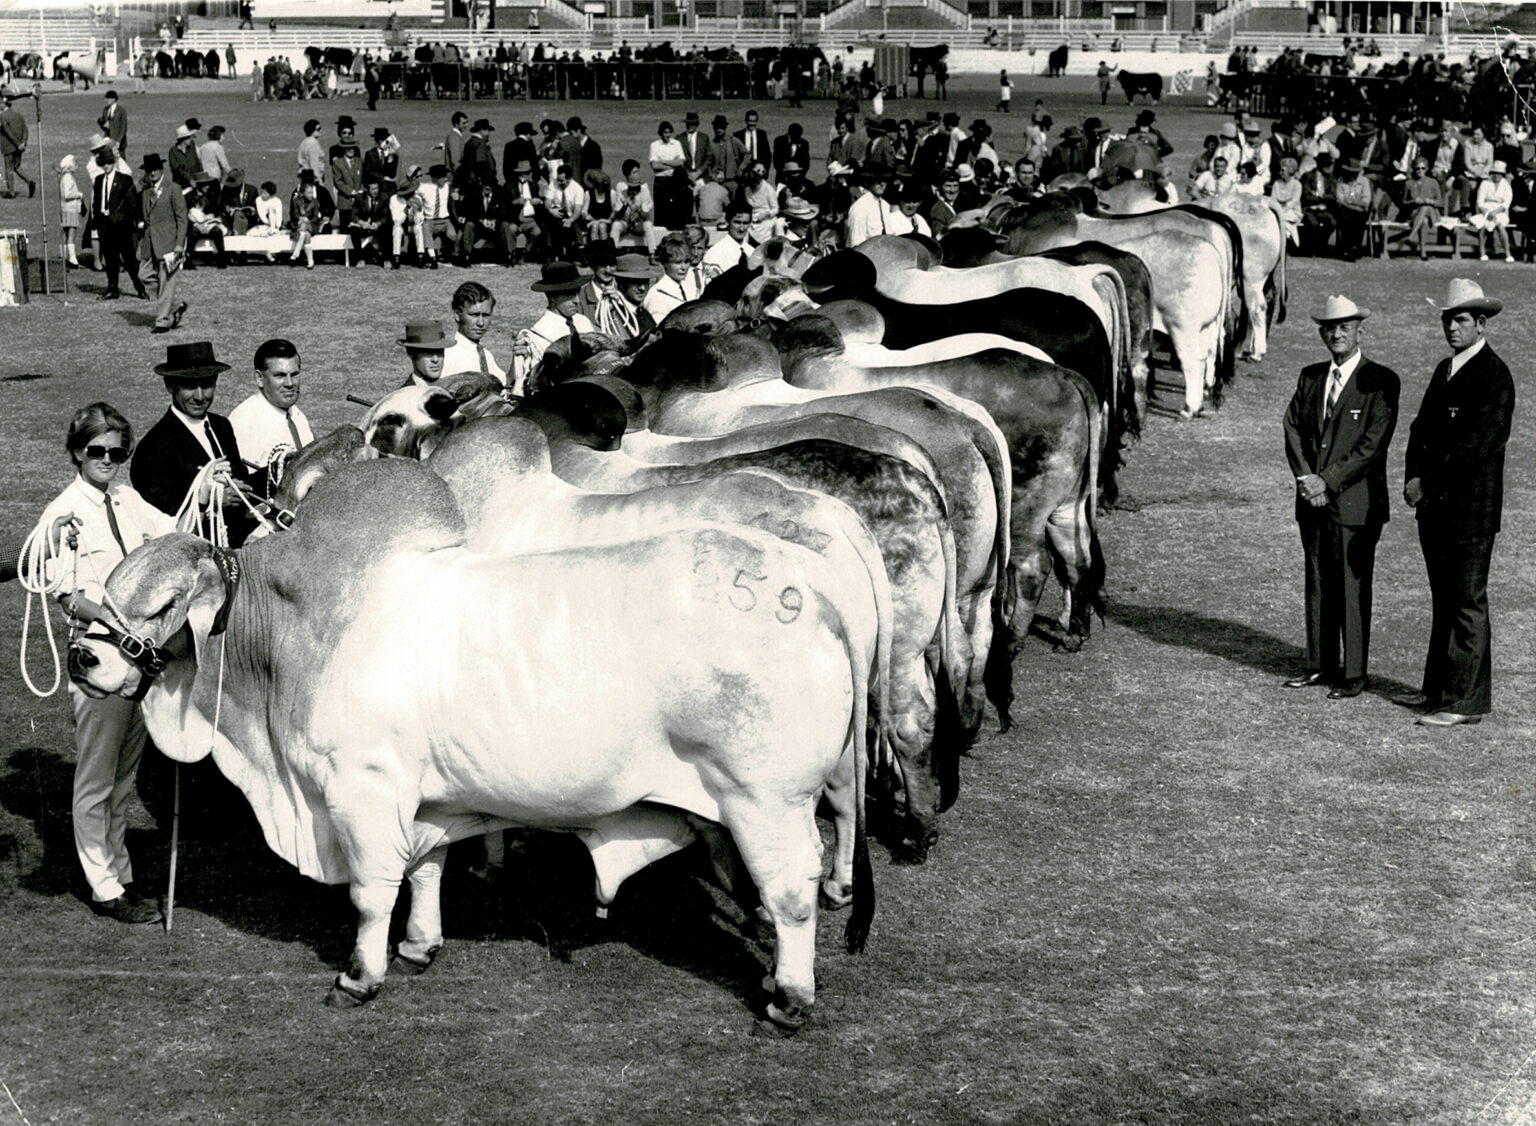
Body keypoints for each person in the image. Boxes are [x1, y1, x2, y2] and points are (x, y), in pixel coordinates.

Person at [31, 403, 177, 924]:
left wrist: (208, 489)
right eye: (99, 451)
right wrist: (121, 622)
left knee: (123, 775)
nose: (109, 460)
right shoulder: (62, 515)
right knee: (96, 776)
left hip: (138, 657)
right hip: (99, 654)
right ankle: (104, 886)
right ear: (76, 453)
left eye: (120, 451)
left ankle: (121, 873)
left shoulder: (126, 498)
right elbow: (65, 593)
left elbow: (174, 532)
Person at [1396, 280, 1516, 727]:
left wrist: (1427, 483)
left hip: (1469, 513)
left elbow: (1476, 449)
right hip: (1437, 510)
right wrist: (1412, 477)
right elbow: (1419, 429)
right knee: (1446, 601)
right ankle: (1440, 692)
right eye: (1448, 318)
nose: (1452, 326)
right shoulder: (1445, 370)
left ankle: (1464, 702)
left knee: (1466, 601)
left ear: (1481, 324)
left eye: (1460, 319)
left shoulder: (1494, 376)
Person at [1280, 295, 1399, 700]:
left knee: (1351, 585)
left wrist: (1325, 481)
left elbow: (1371, 447)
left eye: (1344, 327)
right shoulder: (1311, 377)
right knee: (1317, 583)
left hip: (1355, 503)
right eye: (1330, 328)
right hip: (1311, 501)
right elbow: (1292, 426)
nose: (1336, 333)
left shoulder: (1381, 381)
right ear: (1321, 333)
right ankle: (1319, 664)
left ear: (1359, 331)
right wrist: (1305, 478)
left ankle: (1354, 674)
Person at [130, 342, 258, 545]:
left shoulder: (221, 426)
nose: (200, 396)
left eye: (206, 385)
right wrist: (213, 503)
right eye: (190, 386)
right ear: (170, 386)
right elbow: (163, 521)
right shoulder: (153, 448)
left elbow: (241, 479)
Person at [228, 338, 313, 499]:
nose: (289, 383)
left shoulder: (296, 414)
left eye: (294, 374)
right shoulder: (244, 423)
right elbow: (242, 492)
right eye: (280, 375)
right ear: (259, 378)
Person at [509, 262, 597, 396]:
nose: (577, 301)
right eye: (569, 294)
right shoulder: (536, 336)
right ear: (551, 296)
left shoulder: (582, 322)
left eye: (577, 292)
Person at [137, 153, 188, 334]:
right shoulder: (145, 191)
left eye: (155, 169)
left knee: (166, 281)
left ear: (162, 169)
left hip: (169, 245)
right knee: (144, 275)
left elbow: (182, 219)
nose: (152, 173)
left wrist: (179, 245)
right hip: (150, 243)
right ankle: (174, 307)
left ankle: (163, 321)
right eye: (148, 170)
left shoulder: (173, 189)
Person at [443, 281, 506, 384]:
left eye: (485, 315)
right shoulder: (449, 357)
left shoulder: (486, 355)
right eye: (474, 315)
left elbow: (504, 385)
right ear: (457, 315)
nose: (481, 323)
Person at [642, 231, 696, 325]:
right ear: (665, 263)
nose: (684, 267)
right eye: (677, 263)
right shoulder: (656, 294)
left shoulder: (689, 285)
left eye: (686, 262)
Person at [1470, 159, 1514, 261]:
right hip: (1485, 210)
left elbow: (1507, 202)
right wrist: (1487, 212)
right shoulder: (1485, 183)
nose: (1496, 176)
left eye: (1499, 174)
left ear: (1502, 174)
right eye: (1494, 173)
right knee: (1482, 226)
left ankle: (1508, 253)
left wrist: (1495, 212)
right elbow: (1480, 201)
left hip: (1500, 211)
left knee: (1500, 226)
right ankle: (1482, 253)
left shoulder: (1506, 185)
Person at [611, 158, 654, 254]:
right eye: (634, 172)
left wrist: (638, 210)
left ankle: (652, 253)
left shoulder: (644, 187)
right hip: (625, 223)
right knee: (616, 225)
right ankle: (612, 253)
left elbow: (646, 215)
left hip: (638, 223)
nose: (638, 175)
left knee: (648, 225)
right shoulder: (621, 187)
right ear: (628, 175)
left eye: (638, 172)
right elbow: (617, 214)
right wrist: (625, 205)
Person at [702, 202, 757, 276]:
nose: (741, 228)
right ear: (727, 222)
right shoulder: (714, 254)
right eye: (737, 222)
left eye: (745, 223)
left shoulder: (752, 252)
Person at [1, 90, 34, 198]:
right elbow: (25, 129)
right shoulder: (18, 114)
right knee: (17, 166)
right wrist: (23, 142)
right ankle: (29, 181)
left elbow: (8, 132)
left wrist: (17, 143)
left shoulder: (3, 117)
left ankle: (11, 192)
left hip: (9, 146)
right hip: (19, 147)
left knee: (8, 169)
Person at [399, 320, 449, 387]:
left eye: (439, 351)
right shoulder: (405, 396)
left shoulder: (452, 391)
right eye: (428, 352)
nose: (435, 359)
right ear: (410, 353)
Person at [58, 155, 83, 268]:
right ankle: (72, 259)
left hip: (66, 209)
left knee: (66, 234)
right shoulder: (68, 178)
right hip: (70, 209)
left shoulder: (65, 177)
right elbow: (67, 194)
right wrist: (78, 194)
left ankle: (64, 257)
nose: (76, 165)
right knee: (71, 234)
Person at [97, 88, 128, 160]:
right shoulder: (105, 110)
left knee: (121, 162)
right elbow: (104, 124)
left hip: (118, 142)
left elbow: (123, 128)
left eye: (107, 98)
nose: (106, 100)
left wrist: (118, 141)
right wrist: (102, 124)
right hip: (107, 140)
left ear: (113, 99)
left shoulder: (121, 111)